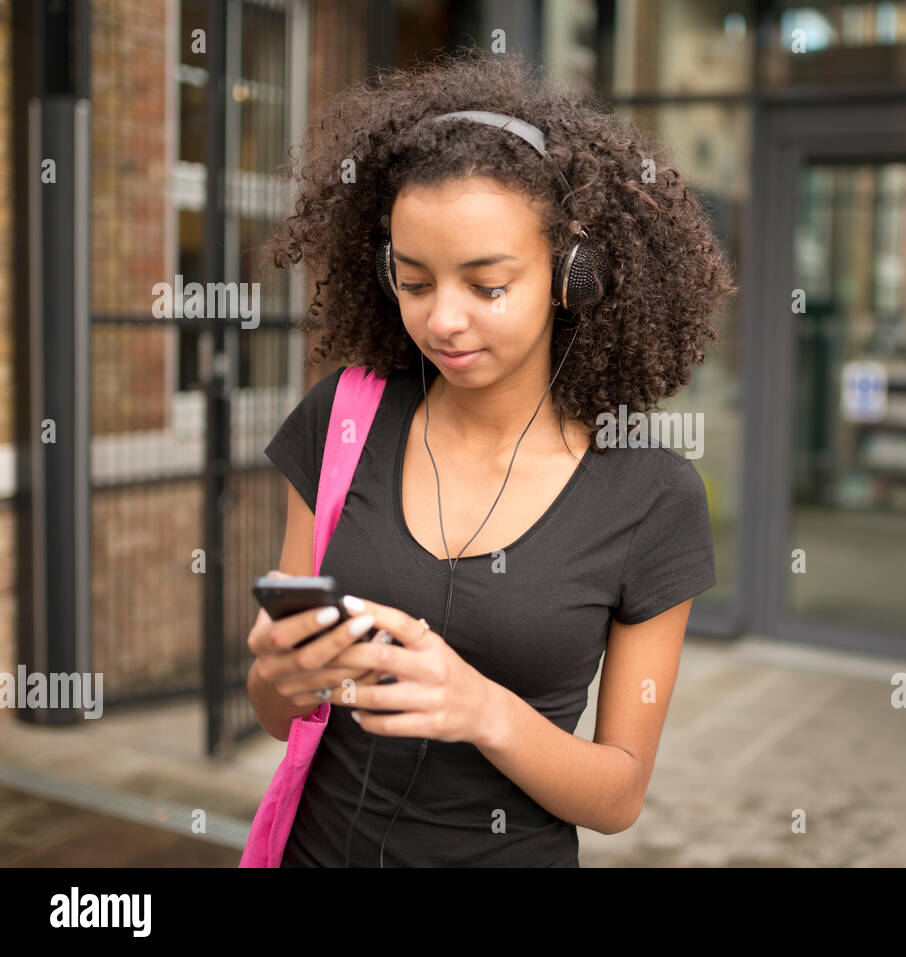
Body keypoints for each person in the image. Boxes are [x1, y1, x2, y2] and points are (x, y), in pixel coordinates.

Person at [244, 49, 736, 866]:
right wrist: (277, 676)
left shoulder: (651, 495)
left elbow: (617, 795)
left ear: (570, 276)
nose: (443, 321)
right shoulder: (344, 420)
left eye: (487, 284)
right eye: (414, 280)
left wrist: (480, 707)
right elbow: (275, 709)